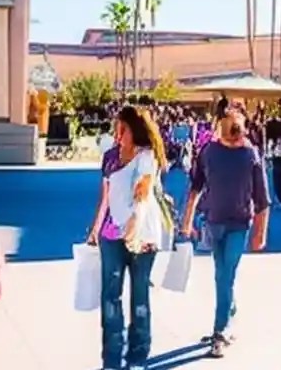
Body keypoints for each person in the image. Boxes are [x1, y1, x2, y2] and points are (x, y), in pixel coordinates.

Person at [181, 111, 269, 358]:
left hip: (239, 223)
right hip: (214, 221)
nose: (234, 137)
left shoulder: (250, 155)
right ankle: (228, 311)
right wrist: (187, 220)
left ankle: (220, 331)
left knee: (224, 274)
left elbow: (262, 198)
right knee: (222, 274)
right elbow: (196, 186)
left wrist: (260, 233)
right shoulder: (209, 152)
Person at [87, 106, 169, 370]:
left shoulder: (147, 157)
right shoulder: (110, 157)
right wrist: (95, 227)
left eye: (123, 129)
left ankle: (137, 356)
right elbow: (105, 195)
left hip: (142, 236)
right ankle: (111, 358)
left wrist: (133, 227)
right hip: (111, 234)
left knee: (139, 296)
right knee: (110, 296)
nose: (118, 134)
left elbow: (142, 194)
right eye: (117, 128)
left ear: (135, 130)